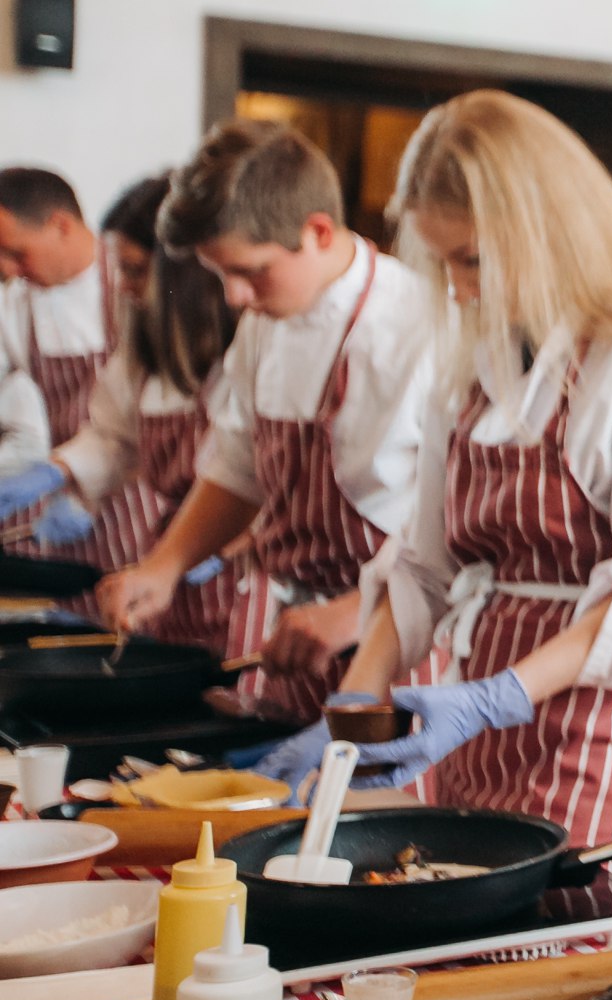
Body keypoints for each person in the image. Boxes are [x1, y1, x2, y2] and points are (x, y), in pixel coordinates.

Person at [249, 90, 612, 860]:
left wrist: (498, 697)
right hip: (470, 718)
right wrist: (355, 703)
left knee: (558, 956)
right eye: (443, 261)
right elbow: (424, 566)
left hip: (594, 724)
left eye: (472, 259)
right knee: (460, 927)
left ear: (549, 234)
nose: (457, 287)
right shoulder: (476, 359)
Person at [97, 123, 436, 726]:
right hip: (291, 641)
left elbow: (452, 534)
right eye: (219, 274)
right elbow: (237, 467)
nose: (232, 297)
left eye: (250, 271)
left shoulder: (421, 327)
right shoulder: (265, 323)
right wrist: (164, 567)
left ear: (318, 231)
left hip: (398, 651)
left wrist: (353, 614)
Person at [0, 174, 269, 661]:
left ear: (185, 272)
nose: (124, 285)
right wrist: (52, 472)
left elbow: (267, 479)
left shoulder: (257, 349)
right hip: (165, 579)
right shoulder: (145, 353)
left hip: (243, 585)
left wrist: (218, 540)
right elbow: (114, 435)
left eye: (136, 270)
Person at [0, 167, 164, 571]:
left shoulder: (136, 285)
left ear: (61, 226)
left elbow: (137, 423)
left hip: (153, 510)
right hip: (71, 516)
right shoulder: (16, 305)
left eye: (18, 252)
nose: (8, 269)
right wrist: (50, 475)